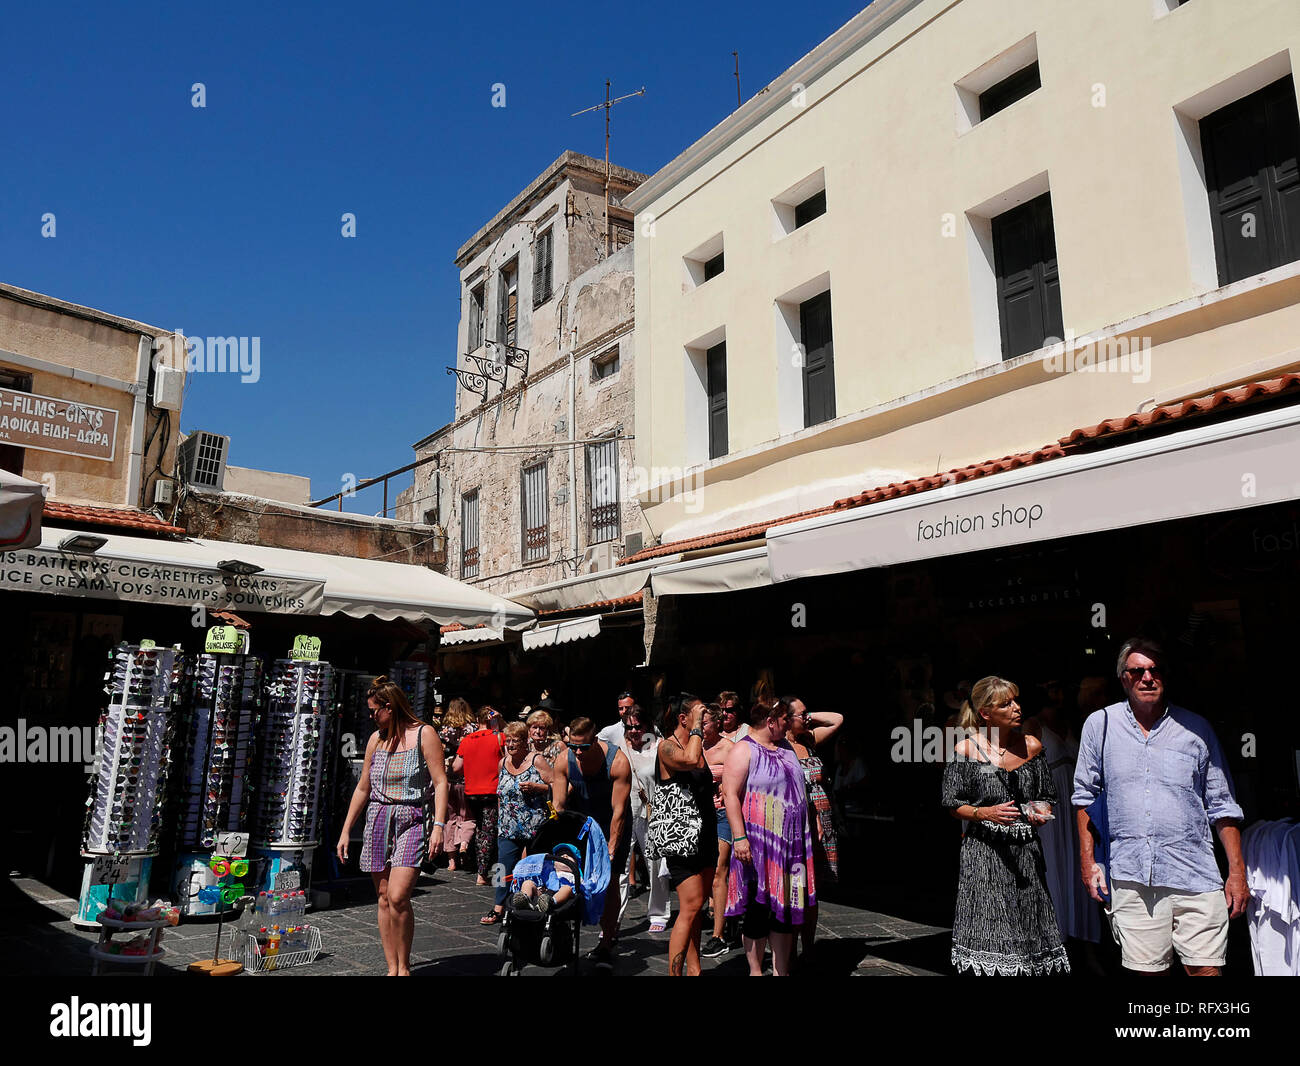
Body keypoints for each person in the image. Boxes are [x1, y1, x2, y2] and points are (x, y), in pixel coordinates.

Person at [1072, 638, 1246, 975]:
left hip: (1195, 873)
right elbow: (1084, 797)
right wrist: (1088, 862)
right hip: (1132, 877)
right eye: (1137, 671)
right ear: (1124, 678)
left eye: (1155, 670)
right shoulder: (1100, 724)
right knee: (1147, 973)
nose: (1147, 678)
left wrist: (1237, 872)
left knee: (1206, 971)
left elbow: (1223, 805)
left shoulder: (1196, 729)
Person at [941, 676, 1069, 975]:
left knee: (1027, 920)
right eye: (1006, 703)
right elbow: (951, 803)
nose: (1016, 708)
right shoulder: (965, 751)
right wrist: (985, 813)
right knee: (992, 921)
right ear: (986, 713)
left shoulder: (1032, 746)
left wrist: (1040, 810)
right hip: (985, 852)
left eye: (1016, 700)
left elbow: (1046, 795)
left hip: (1025, 850)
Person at [337, 676, 449, 976]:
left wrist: (439, 825)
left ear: (390, 706)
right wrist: (347, 829)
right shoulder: (377, 739)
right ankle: (393, 968)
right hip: (378, 819)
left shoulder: (424, 734)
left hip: (411, 818)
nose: (371, 716)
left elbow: (440, 782)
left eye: (375, 710)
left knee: (399, 896)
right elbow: (363, 788)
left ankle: (405, 966)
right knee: (384, 897)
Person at [722, 700, 816, 976]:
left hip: (791, 845)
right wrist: (739, 838)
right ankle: (754, 970)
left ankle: (781, 971)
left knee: (786, 909)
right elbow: (730, 795)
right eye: (785, 719)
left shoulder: (786, 747)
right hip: (759, 845)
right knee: (757, 909)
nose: (789, 724)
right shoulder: (744, 749)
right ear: (771, 721)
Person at [550, 715, 632, 968]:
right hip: (582, 821)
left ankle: (607, 940)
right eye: (573, 746)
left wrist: (609, 849)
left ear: (595, 740)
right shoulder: (564, 760)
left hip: (611, 822)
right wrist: (556, 842)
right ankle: (561, 936)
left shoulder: (618, 762)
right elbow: (559, 805)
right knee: (566, 876)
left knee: (609, 885)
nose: (578, 752)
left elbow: (619, 811)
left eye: (584, 747)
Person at [1023, 681, 1100, 947]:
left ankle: (1081, 938)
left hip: (1076, 805)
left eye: (1060, 686)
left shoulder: (1073, 723)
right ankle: (1053, 939)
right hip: (1049, 807)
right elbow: (1021, 770)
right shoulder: (1033, 724)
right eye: (1050, 687)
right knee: (1053, 864)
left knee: (1076, 860)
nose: (1058, 692)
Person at [654, 695, 718, 975]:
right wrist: (696, 729)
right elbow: (691, 760)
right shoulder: (667, 746)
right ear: (683, 719)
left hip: (705, 836)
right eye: (699, 715)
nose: (705, 721)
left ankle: (695, 970)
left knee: (696, 909)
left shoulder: (697, 744)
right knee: (690, 907)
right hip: (681, 842)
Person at [785, 696, 844, 963]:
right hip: (800, 823)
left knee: (813, 889)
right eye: (802, 714)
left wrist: (806, 717)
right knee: (795, 887)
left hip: (823, 820)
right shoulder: (780, 747)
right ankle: (789, 947)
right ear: (786, 718)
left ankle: (808, 947)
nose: (808, 717)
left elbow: (837, 719)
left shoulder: (808, 740)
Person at [484, 721, 552, 924]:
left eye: (515, 741)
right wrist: (499, 819)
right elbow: (500, 793)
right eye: (508, 741)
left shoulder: (537, 761)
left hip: (534, 825)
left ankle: (537, 903)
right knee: (502, 868)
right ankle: (498, 906)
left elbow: (555, 783)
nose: (510, 745)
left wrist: (536, 787)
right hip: (507, 825)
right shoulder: (502, 762)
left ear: (525, 742)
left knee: (536, 867)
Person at [618, 705, 671, 933]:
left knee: (654, 864)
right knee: (619, 866)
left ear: (647, 726)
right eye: (629, 727)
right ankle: (613, 918)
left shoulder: (658, 746)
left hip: (652, 812)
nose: (633, 731)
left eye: (638, 726)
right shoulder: (618, 747)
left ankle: (659, 913)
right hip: (623, 812)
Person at [453, 706, 505, 893]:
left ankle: (480, 868)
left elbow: (456, 767)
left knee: (480, 828)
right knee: (490, 831)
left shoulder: (467, 739)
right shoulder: (499, 737)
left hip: (472, 791)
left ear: (477, 720)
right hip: (492, 790)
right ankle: (483, 874)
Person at [700, 702, 735, 959]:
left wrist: (724, 784)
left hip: (722, 814)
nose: (701, 727)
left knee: (719, 871)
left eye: (705, 723)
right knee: (704, 871)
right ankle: (718, 915)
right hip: (699, 816)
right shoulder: (695, 747)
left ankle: (718, 935)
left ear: (716, 723)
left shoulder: (728, 748)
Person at [436, 697, 476, 871]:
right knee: (466, 816)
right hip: (468, 777)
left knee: (449, 818)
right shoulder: (473, 730)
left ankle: (451, 860)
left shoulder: (445, 730)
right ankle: (464, 844)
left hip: (448, 777)